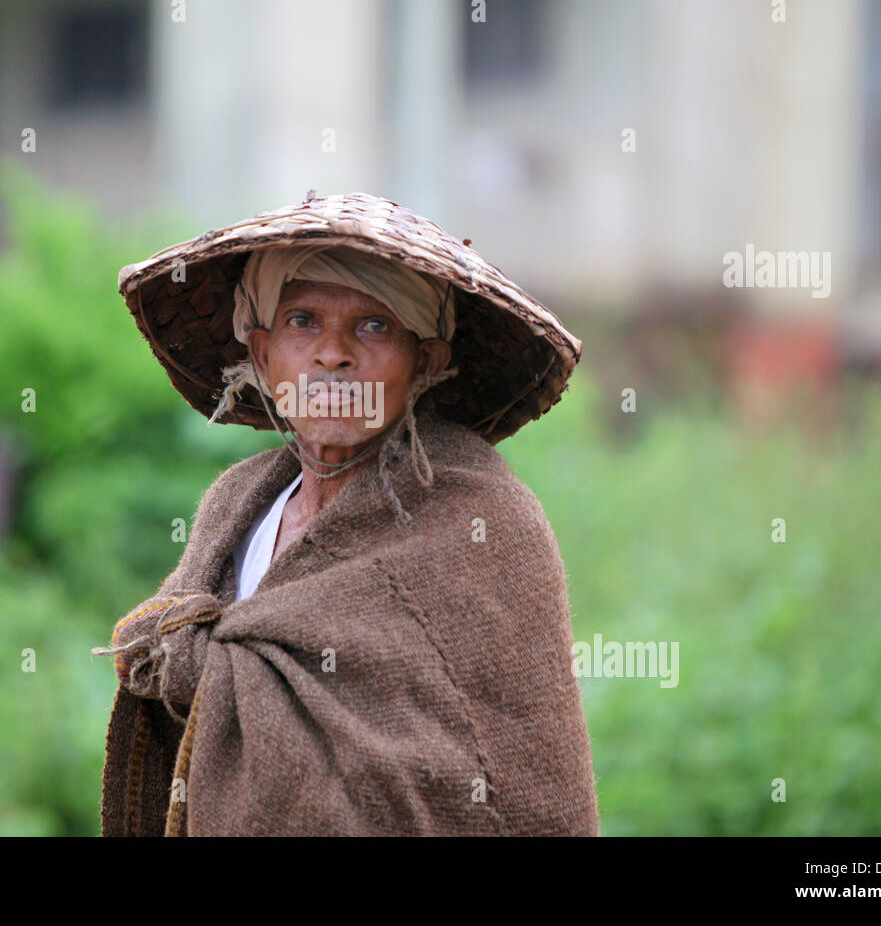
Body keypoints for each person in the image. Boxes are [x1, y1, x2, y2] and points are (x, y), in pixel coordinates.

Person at [95, 191, 597, 835]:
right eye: (302, 321)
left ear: (428, 362)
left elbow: (519, 790)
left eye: (374, 325)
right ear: (263, 353)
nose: (333, 354)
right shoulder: (234, 508)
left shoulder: (484, 524)